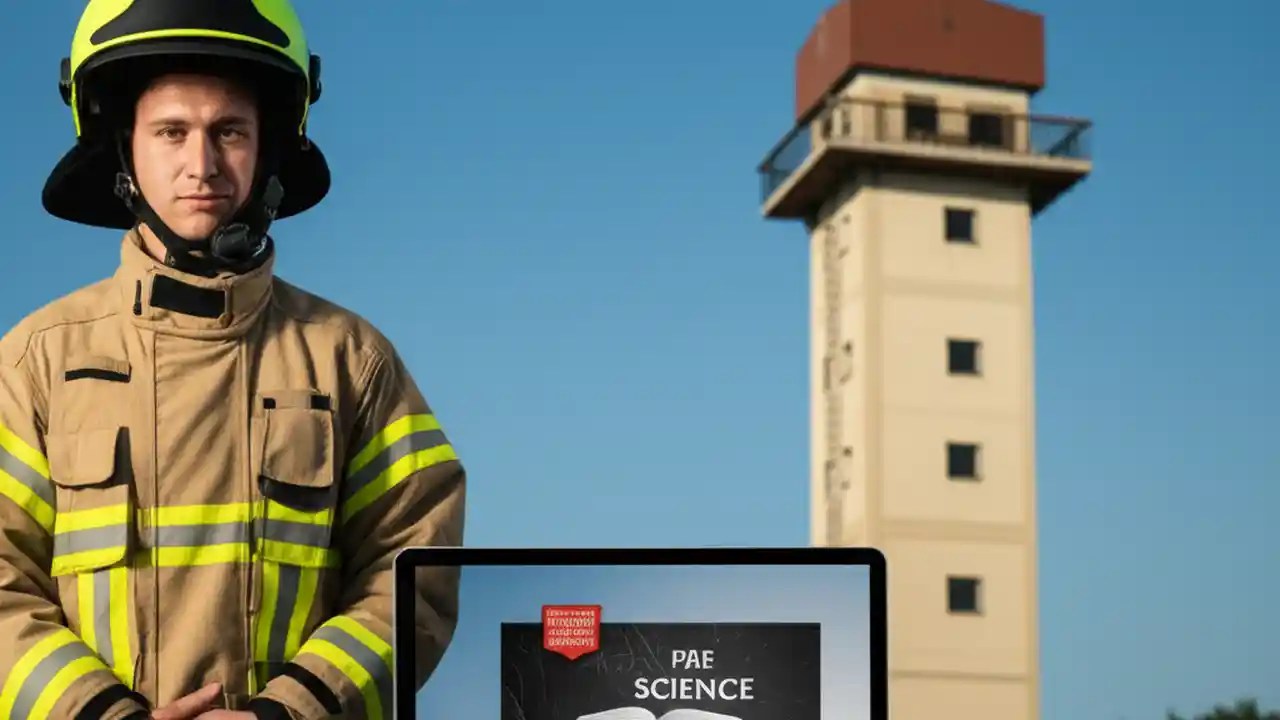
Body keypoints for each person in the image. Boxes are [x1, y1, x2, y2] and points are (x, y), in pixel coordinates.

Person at [0, 1, 466, 718]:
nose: (202, 164)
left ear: (269, 147)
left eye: (230, 132)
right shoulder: (37, 361)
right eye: (171, 132)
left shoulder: (352, 361)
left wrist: (289, 711)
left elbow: (413, 574)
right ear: (124, 148)